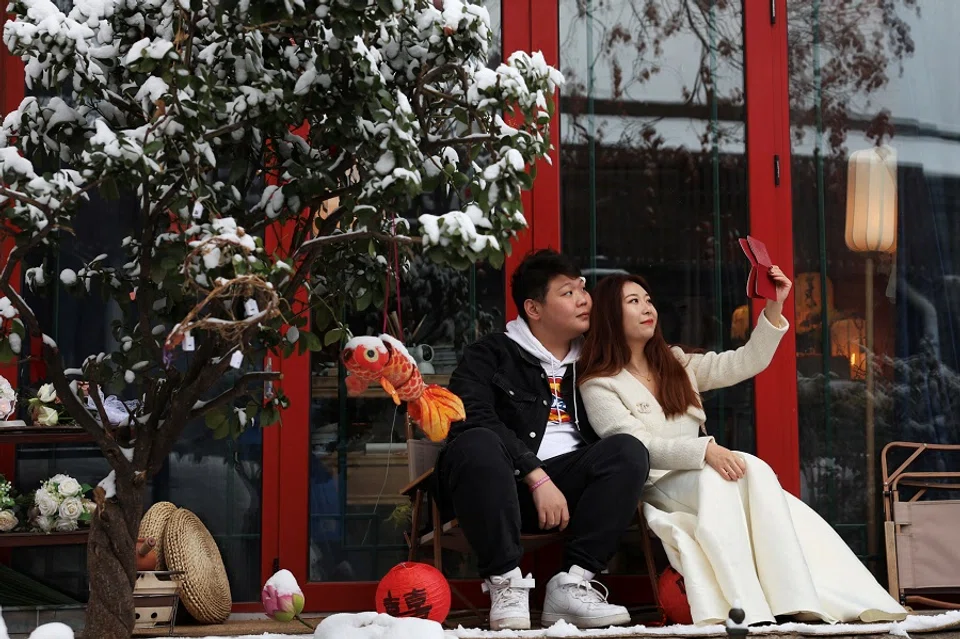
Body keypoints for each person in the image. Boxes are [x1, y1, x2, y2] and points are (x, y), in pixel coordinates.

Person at [576, 268, 908, 626]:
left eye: (649, 300)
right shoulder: (599, 383)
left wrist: (775, 307)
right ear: (611, 313)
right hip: (657, 485)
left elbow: (746, 362)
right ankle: (747, 606)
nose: (648, 308)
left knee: (753, 468)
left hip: (702, 475)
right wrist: (704, 451)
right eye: (634, 301)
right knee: (720, 478)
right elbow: (636, 447)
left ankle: (794, 596)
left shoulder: (677, 363)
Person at [437, 249, 650, 631]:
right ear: (534, 309)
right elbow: (467, 416)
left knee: (628, 450)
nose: (584, 299)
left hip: (571, 488)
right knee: (477, 440)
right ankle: (504, 581)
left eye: (582, 289)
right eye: (568, 293)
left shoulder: (596, 358)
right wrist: (534, 473)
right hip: (498, 485)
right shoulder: (490, 353)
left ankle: (573, 582)